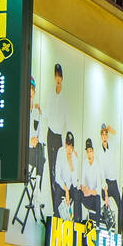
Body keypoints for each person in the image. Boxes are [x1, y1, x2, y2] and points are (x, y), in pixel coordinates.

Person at [46, 63, 65, 217]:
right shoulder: (50, 94)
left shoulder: (64, 97)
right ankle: (54, 208)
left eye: (60, 75)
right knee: (51, 169)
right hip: (50, 133)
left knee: (58, 171)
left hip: (59, 137)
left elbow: (68, 119)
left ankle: (59, 206)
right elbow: (46, 113)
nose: (58, 78)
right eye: (56, 75)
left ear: (62, 78)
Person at [97, 123, 123, 236]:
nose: (104, 136)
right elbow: (101, 172)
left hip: (114, 183)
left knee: (121, 207)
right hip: (105, 184)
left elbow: (117, 137)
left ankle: (121, 235)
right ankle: (105, 232)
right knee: (105, 206)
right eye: (102, 134)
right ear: (100, 136)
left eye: (105, 134)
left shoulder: (112, 146)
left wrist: (111, 130)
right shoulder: (98, 152)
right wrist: (106, 193)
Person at [53, 132, 80, 221]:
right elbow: (57, 176)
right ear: (65, 145)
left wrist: (71, 165)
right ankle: (57, 222)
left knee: (77, 196)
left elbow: (75, 184)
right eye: (68, 146)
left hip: (70, 185)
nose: (69, 149)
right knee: (57, 197)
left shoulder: (75, 157)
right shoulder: (60, 152)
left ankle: (76, 223)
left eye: (71, 147)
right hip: (62, 184)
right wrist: (66, 191)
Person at [78, 138, 104, 222]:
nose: (89, 153)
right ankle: (78, 220)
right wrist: (84, 189)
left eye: (90, 151)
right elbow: (82, 181)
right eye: (87, 151)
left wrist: (90, 192)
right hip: (87, 195)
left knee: (97, 199)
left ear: (93, 151)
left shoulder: (98, 165)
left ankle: (97, 226)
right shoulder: (84, 163)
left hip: (94, 196)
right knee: (78, 193)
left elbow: (99, 189)